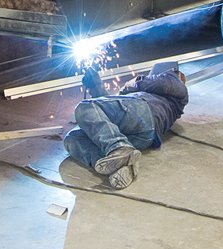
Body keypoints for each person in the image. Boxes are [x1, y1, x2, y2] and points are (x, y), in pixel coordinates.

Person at [64, 62, 189, 190]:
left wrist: (130, 84)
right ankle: (120, 166)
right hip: (144, 137)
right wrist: (95, 84)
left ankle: (119, 148)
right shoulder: (151, 93)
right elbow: (108, 111)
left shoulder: (173, 81)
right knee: (72, 138)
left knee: (85, 107)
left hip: (143, 112)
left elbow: (146, 83)